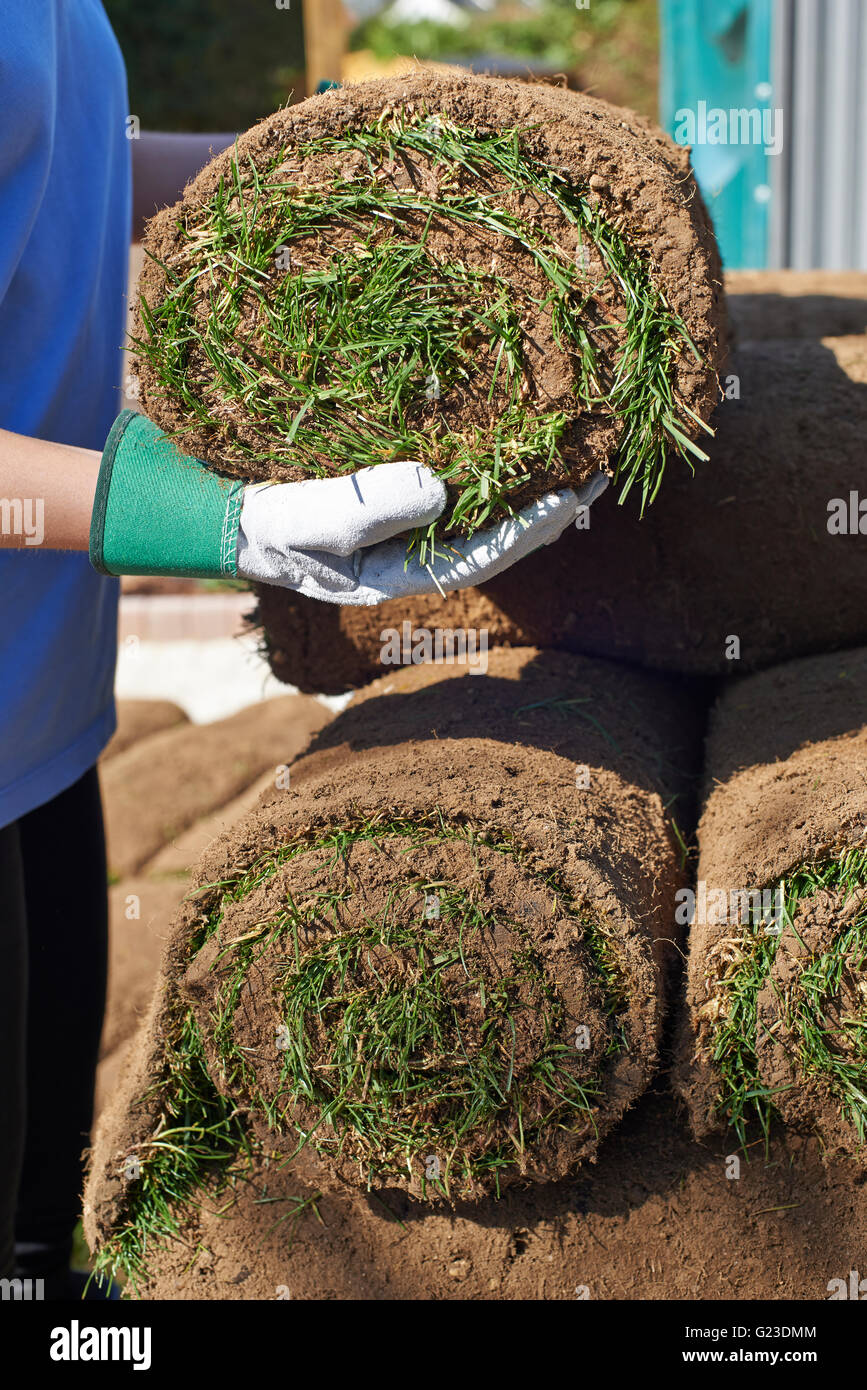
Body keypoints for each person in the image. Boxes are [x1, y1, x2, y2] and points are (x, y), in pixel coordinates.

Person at [0, 1, 604, 1299]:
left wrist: (349, 167)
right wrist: (209, 517)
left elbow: (73, 171)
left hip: (39, 731)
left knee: (42, 1260)